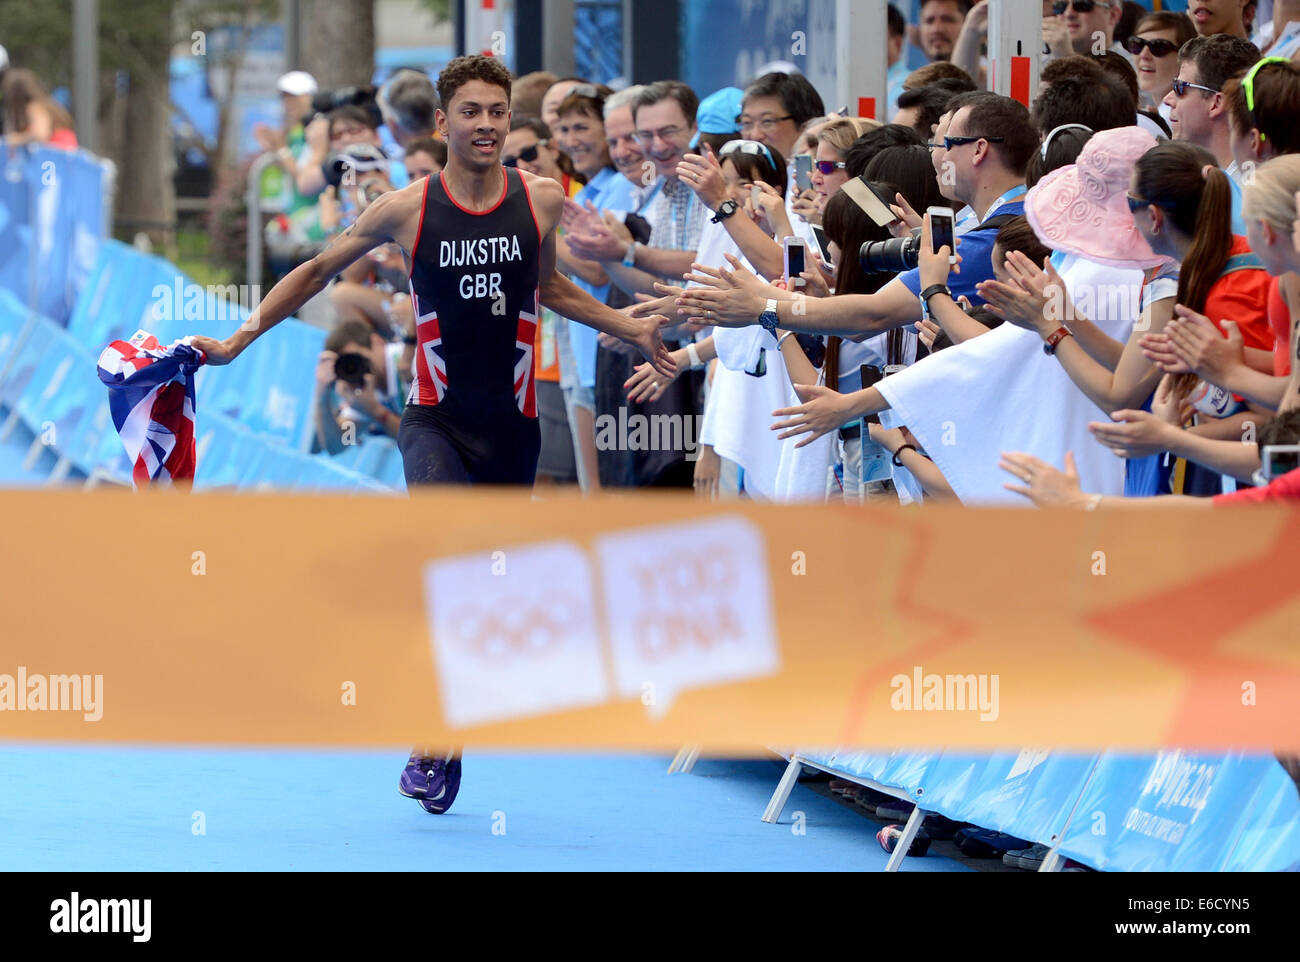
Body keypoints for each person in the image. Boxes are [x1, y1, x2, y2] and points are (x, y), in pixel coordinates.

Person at [186, 55, 674, 816]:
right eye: (471, 112)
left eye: (498, 112)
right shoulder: (403, 210)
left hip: (510, 432)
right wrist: (237, 341)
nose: (486, 125)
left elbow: (546, 288)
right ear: (442, 122)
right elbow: (316, 272)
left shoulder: (540, 201)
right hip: (435, 419)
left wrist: (628, 328)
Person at [1126, 11, 1197, 116]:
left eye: (1158, 47)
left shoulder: (1187, 118)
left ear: (1185, 59)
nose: (1144, 55)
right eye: (1137, 44)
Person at [1, 68, 77, 149]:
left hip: (59, 152)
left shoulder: (34, 107)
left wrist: (15, 139)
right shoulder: (44, 103)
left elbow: (41, 133)